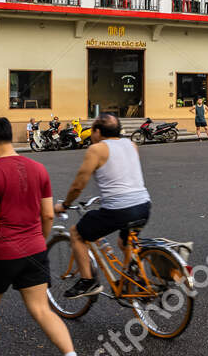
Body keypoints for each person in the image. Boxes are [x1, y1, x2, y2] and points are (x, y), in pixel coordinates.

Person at [0, 115, 92, 356]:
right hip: (34, 250)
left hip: (2, 254)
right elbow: (47, 214)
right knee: (42, 310)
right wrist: (38, 243)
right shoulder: (38, 168)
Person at [57, 113, 152, 297]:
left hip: (119, 210)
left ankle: (88, 281)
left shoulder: (97, 149)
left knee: (77, 234)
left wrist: (65, 205)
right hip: (143, 205)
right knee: (125, 243)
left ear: (98, 132)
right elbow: (124, 175)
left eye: (92, 131)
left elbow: (78, 185)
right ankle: (137, 281)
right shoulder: (132, 145)